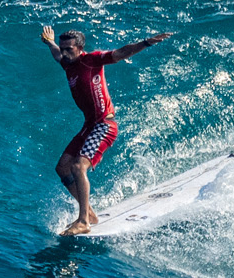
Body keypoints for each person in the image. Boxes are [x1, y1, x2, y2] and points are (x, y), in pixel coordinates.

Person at [40, 25, 172, 235]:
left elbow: (121, 53)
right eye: (63, 49)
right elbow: (57, 55)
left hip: (105, 125)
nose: (64, 53)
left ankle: (83, 221)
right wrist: (50, 42)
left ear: (80, 48)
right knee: (62, 168)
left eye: (69, 49)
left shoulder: (91, 60)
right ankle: (90, 213)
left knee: (77, 166)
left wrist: (146, 43)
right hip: (89, 125)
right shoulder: (68, 63)